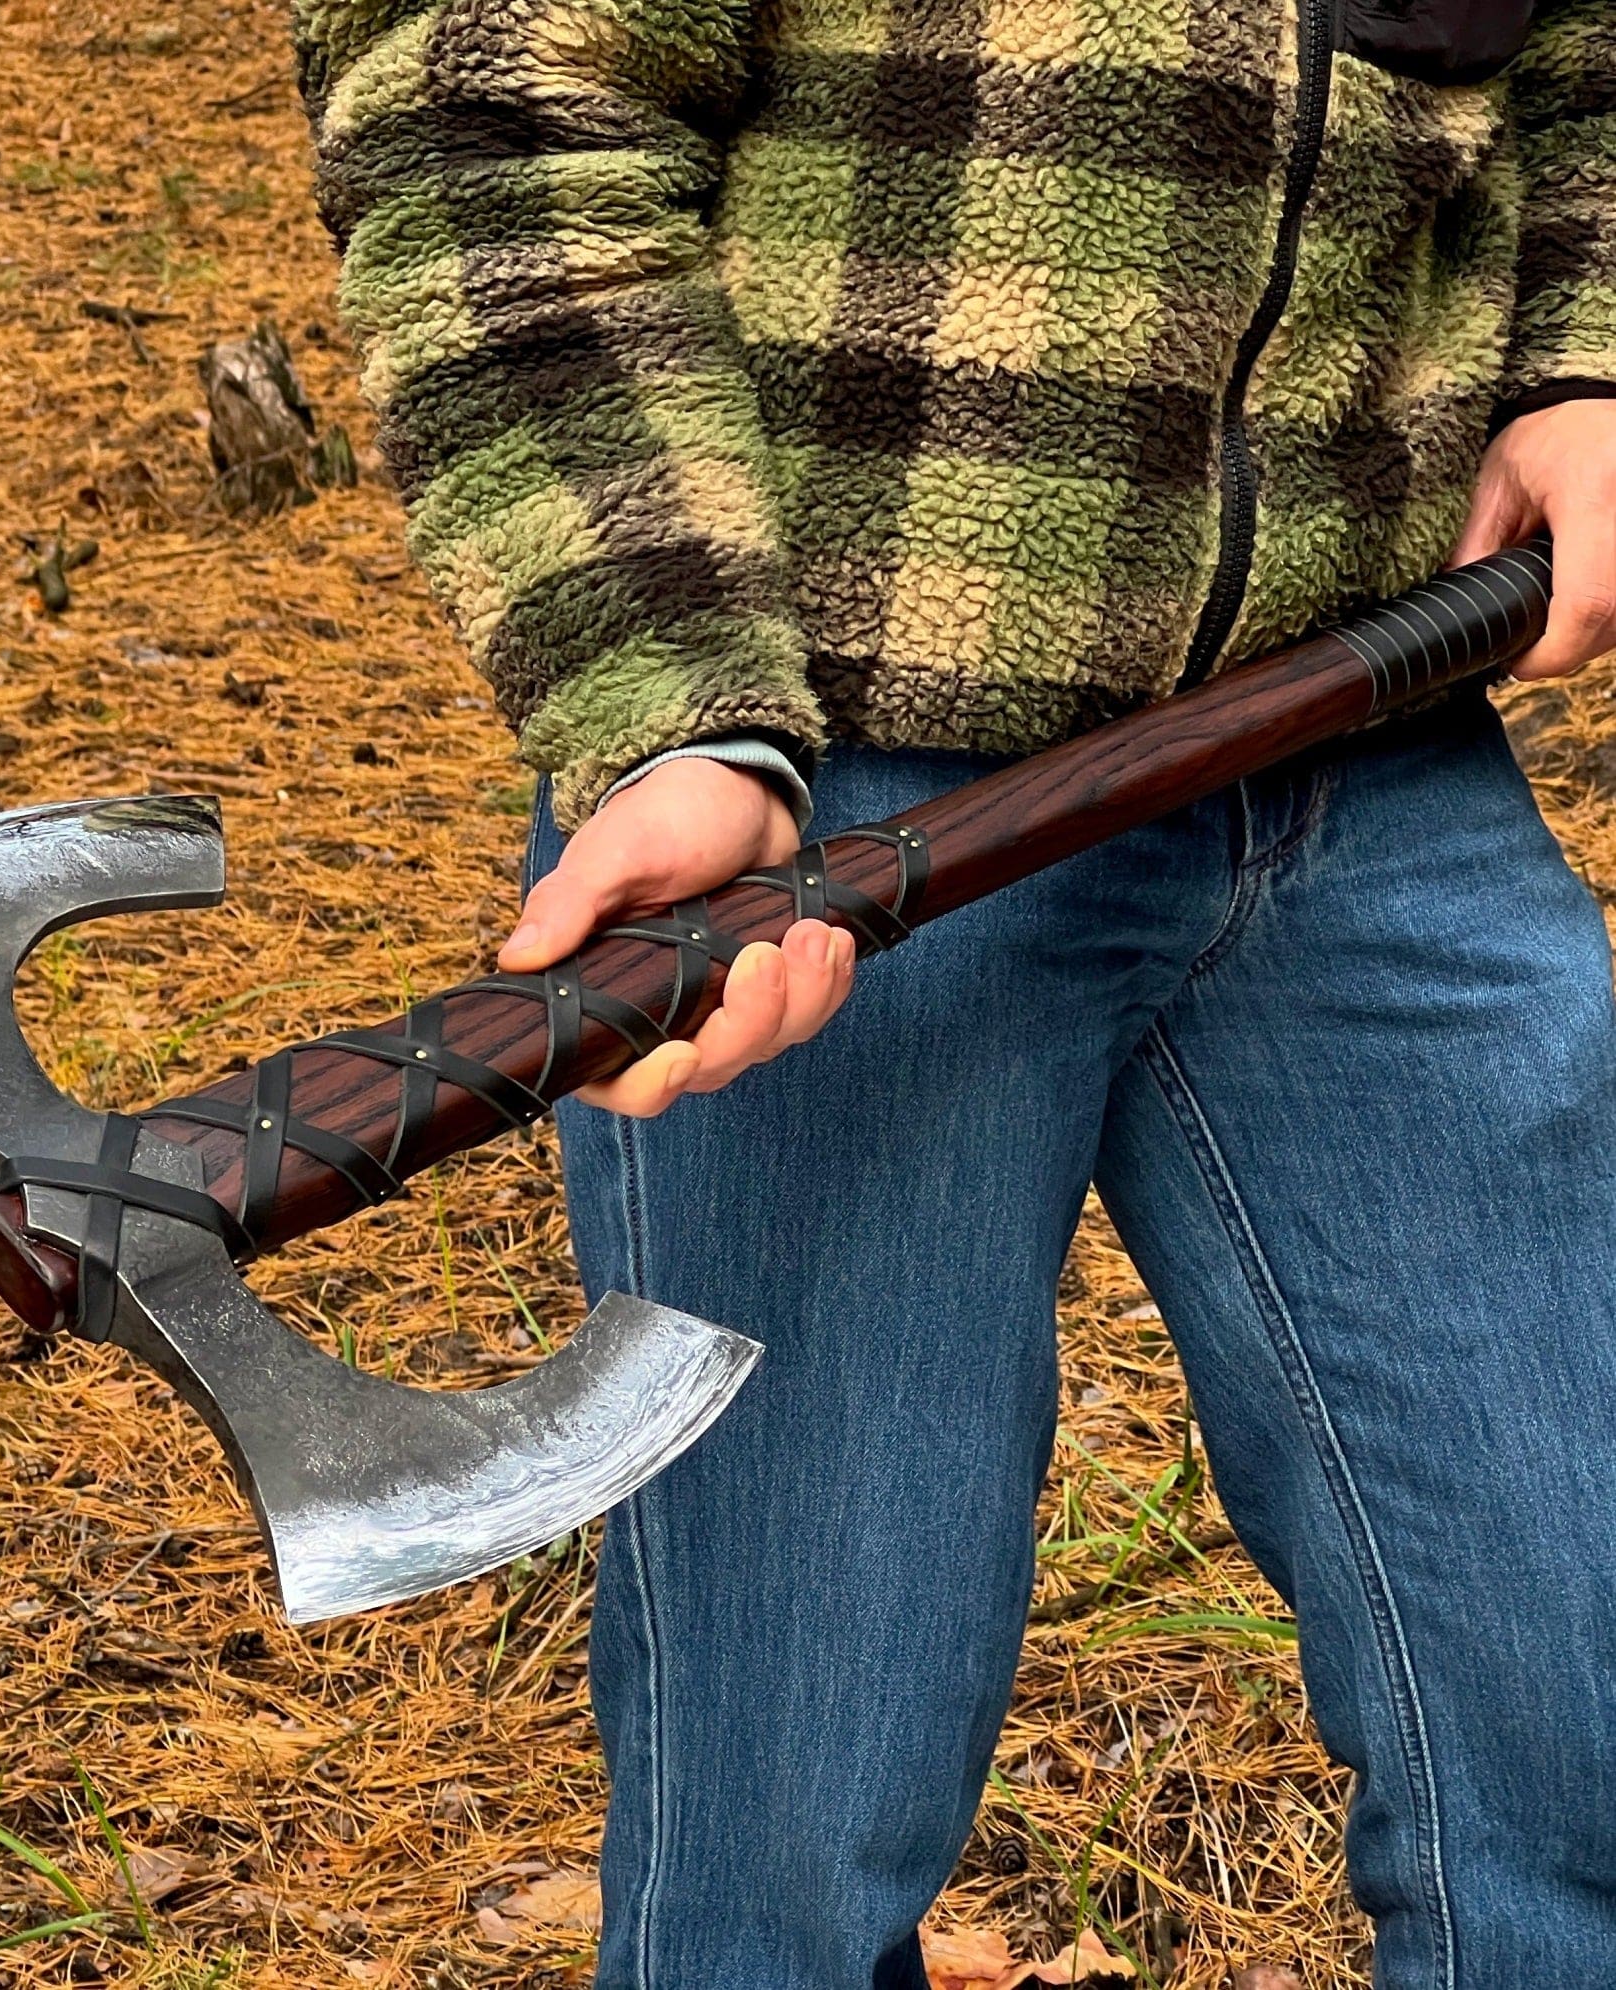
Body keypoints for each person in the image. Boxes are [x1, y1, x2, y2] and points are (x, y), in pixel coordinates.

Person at [293, 0, 1616, 1980]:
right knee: (790, 1836)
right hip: (829, 810)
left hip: (1376, 725)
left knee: (1573, 1725)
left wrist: (1584, 354)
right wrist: (670, 699)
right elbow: (493, 97)